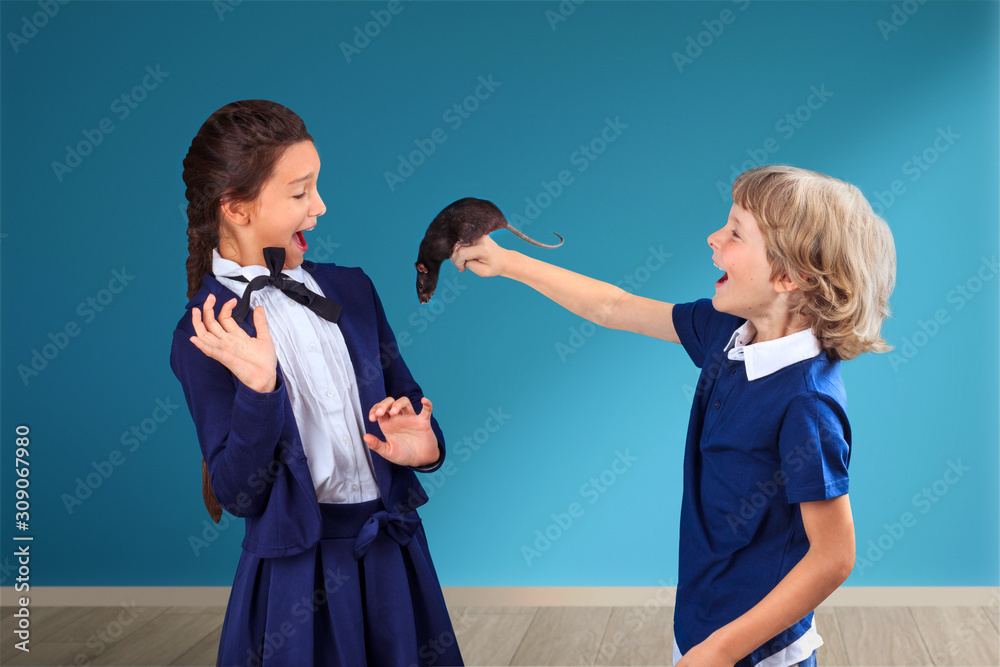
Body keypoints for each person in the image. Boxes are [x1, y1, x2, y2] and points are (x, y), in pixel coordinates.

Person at [450, 165, 896, 667]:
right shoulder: (727, 331)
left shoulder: (806, 404)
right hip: (704, 630)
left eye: (735, 232)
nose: (713, 237)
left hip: (756, 654)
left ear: (790, 276)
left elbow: (833, 557)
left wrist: (720, 652)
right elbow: (614, 306)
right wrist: (507, 261)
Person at [170, 100, 463, 667]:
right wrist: (259, 390)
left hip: (392, 550)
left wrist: (425, 448)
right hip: (295, 576)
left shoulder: (352, 291)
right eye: (300, 193)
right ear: (236, 208)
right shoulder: (203, 333)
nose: (321, 207)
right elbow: (237, 493)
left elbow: (412, 406)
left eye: (317, 187)